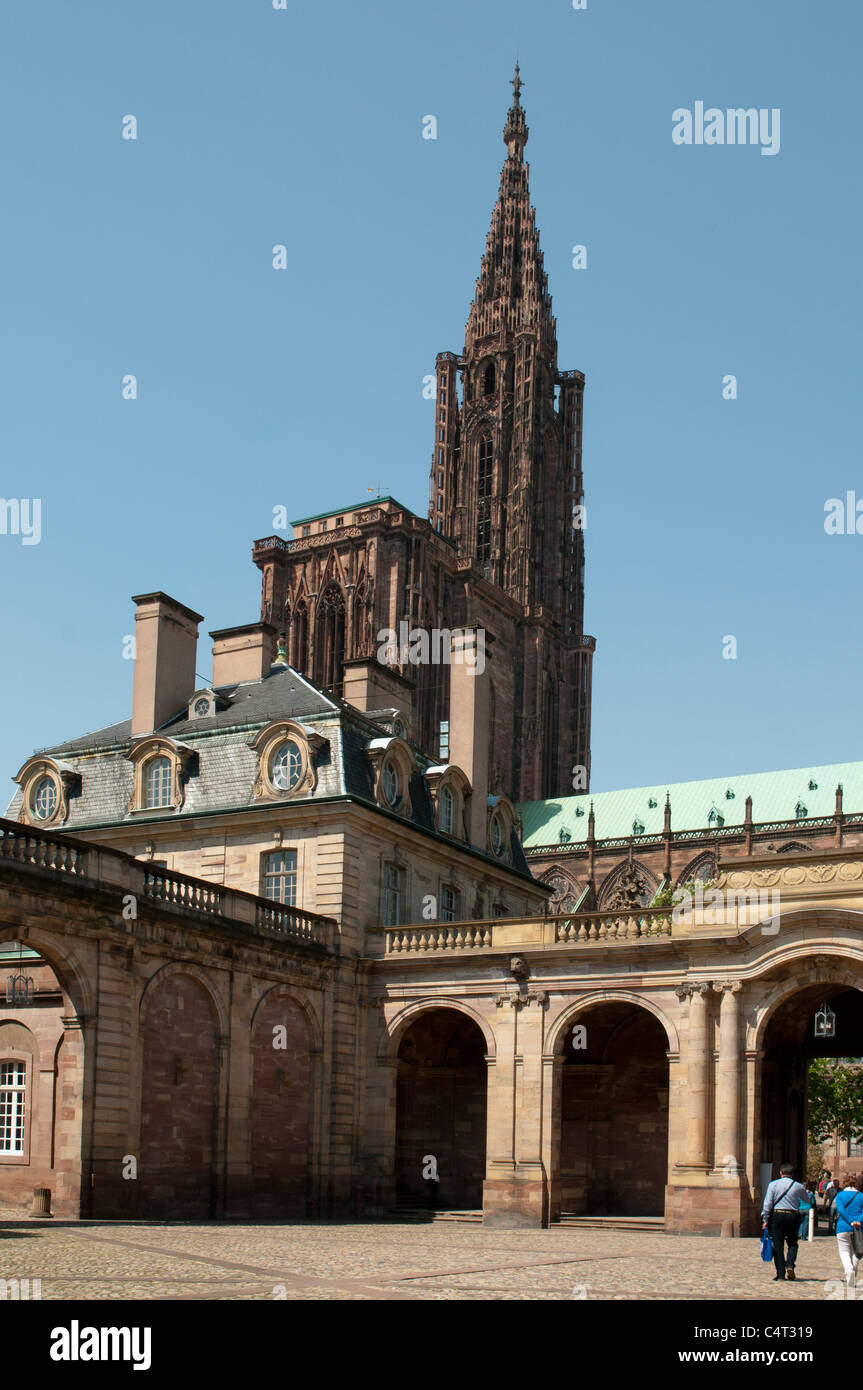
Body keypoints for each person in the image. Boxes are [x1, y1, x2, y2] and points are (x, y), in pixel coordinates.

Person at [762, 1164, 808, 1281]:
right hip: (793, 1215)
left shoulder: (773, 1184)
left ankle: (781, 1274)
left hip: (777, 1215)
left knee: (778, 1245)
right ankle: (790, 1264)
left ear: (780, 1173)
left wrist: (765, 1219)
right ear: (792, 1175)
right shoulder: (798, 1186)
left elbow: (768, 1204)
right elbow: (806, 1200)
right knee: (792, 1243)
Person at [833, 1175, 863, 1292]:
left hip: (843, 1227)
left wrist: (850, 1221)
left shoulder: (840, 1195)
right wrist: (858, 1220)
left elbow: (841, 1210)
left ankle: (849, 1269)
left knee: (844, 1250)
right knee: (857, 1251)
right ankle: (853, 1271)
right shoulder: (861, 1196)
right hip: (859, 1228)